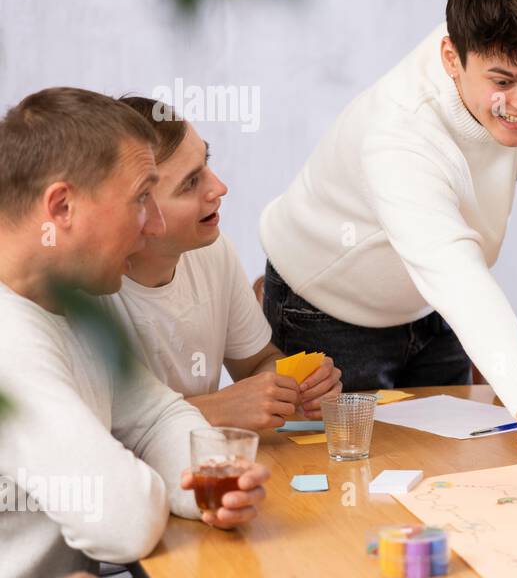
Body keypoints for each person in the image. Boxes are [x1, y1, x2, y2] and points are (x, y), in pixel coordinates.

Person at [260, 0, 517, 476]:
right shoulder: (401, 132)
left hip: (427, 307)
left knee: (454, 469)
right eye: (503, 82)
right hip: (327, 307)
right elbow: (457, 278)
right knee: (344, 483)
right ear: (452, 57)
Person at [0, 87, 270, 578]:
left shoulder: (68, 303)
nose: (151, 226)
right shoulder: (9, 347)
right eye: (139, 199)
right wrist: (172, 478)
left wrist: (200, 485)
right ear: (61, 208)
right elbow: (121, 520)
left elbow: (156, 415)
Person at [101, 96, 341, 431]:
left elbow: (258, 361)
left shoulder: (211, 250)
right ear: (136, 208)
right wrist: (215, 410)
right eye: (190, 183)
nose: (220, 188)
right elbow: (94, 431)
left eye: (206, 163)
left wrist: (294, 385)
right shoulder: (82, 295)